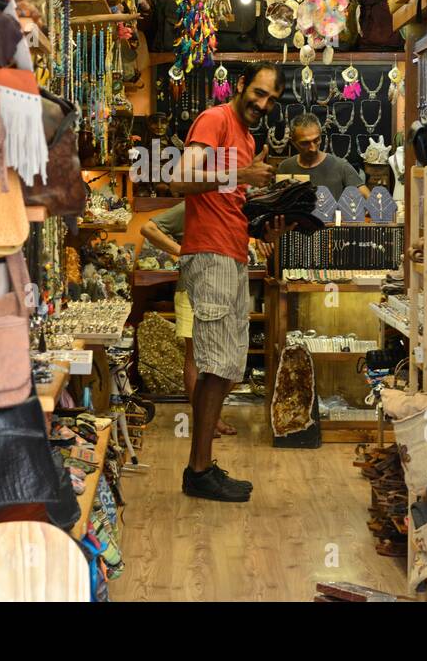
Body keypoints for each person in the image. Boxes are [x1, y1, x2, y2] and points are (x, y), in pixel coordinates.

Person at [168, 62, 285, 503]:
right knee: (216, 365)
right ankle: (198, 470)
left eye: (271, 99)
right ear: (241, 86)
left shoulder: (249, 139)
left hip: (233, 254)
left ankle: (202, 466)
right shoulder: (215, 120)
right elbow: (179, 179)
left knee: (228, 366)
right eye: (257, 93)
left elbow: (231, 202)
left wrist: (267, 221)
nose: (262, 103)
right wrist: (241, 176)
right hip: (210, 254)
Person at [140, 202, 237, 437]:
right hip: (193, 290)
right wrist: (182, 251)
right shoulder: (192, 205)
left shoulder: (231, 204)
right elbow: (148, 229)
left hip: (225, 290)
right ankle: (206, 419)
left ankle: (211, 415)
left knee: (230, 359)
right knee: (195, 357)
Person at [278, 113, 369, 198]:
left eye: (316, 140)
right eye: (305, 143)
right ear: (293, 142)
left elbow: (368, 199)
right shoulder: (285, 168)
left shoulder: (341, 166)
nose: (313, 148)